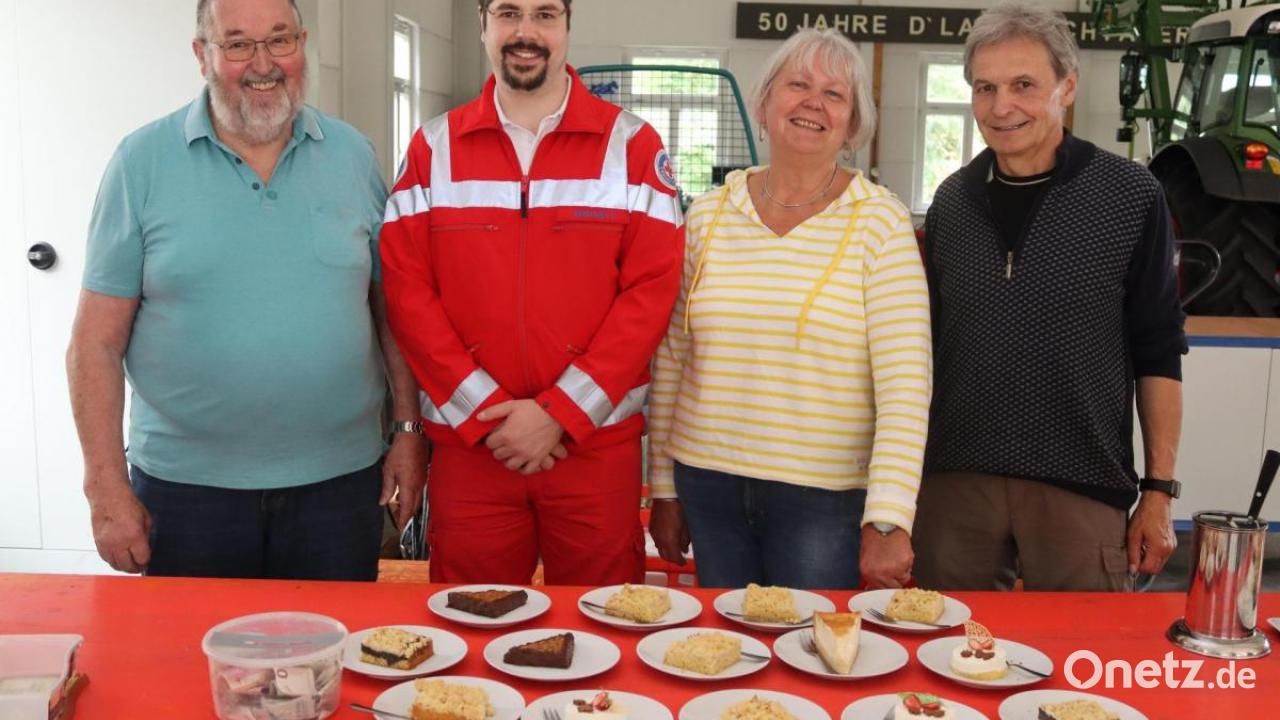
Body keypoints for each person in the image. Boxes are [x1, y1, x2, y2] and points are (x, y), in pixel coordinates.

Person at [66, 0, 428, 580]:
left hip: (337, 487)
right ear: (202, 54)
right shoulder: (140, 163)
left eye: (280, 40)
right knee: (196, 667)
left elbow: (390, 312)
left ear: (302, 45)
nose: (264, 63)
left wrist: (409, 432)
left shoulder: (354, 157)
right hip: (186, 494)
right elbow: (95, 343)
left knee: (332, 666)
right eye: (237, 44)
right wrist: (104, 487)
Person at [378, 0, 683, 584]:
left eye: (545, 14)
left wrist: (562, 413)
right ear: (483, 23)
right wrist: (487, 416)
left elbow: (651, 293)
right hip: (473, 454)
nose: (526, 32)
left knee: (603, 634)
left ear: (568, 25)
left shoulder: (633, 148)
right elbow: (406, 290)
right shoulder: (432, 150)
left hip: (593, 452)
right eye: (508, 12)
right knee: (470, 632)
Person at [913, 1, 1187, 591]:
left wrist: (1159, 492)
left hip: (1080, 486)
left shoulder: (1131, 196)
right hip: (955, 487)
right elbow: (922, 351)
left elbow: (1159, 350)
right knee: (942, 661)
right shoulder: (952, 202)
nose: (1001, 106)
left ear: (1067, 87)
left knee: (1077, 669)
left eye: (1023, 85)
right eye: (984, 87)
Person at [646, 28, 932, 590]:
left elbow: (906, 383)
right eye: (797, 84)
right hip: (709, 487)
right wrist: (663, 488)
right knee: (722, 654)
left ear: (852, 126)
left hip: (824, 500)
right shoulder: (707, 216)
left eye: (834, 95)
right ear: (764, 102)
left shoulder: (880, 222)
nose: (812, 103)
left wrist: (889, 516)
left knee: (813, 659)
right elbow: (672, 357)